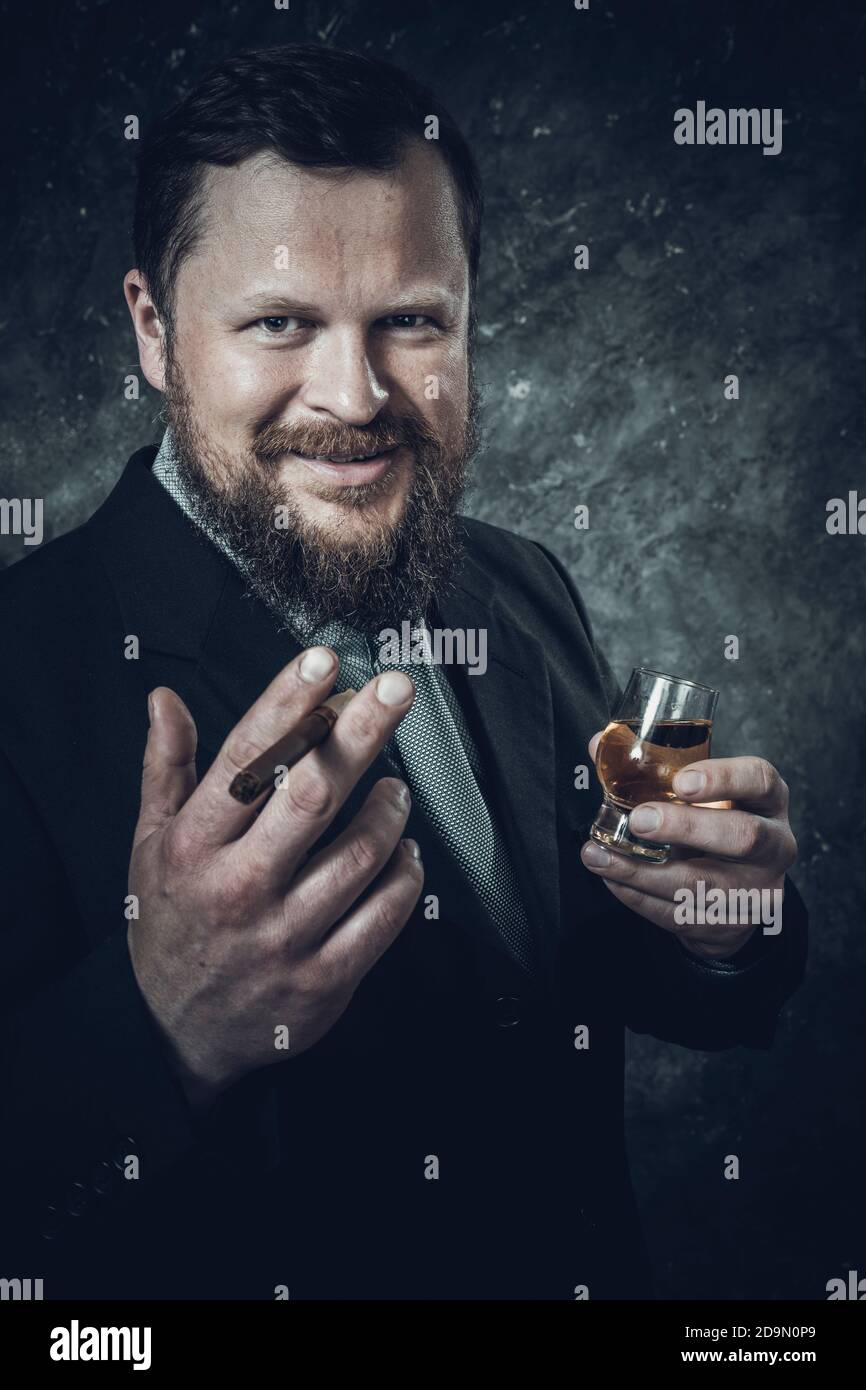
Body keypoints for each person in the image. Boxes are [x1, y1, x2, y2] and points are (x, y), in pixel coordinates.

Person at [0, 43, 806, 1301]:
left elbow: (569, 973)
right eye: (279, 322)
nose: (355, 393)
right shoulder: (19, 670)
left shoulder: (521, 581)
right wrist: (160, 1028)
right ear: (155, 333)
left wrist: (718, 925)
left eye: (410, 321)